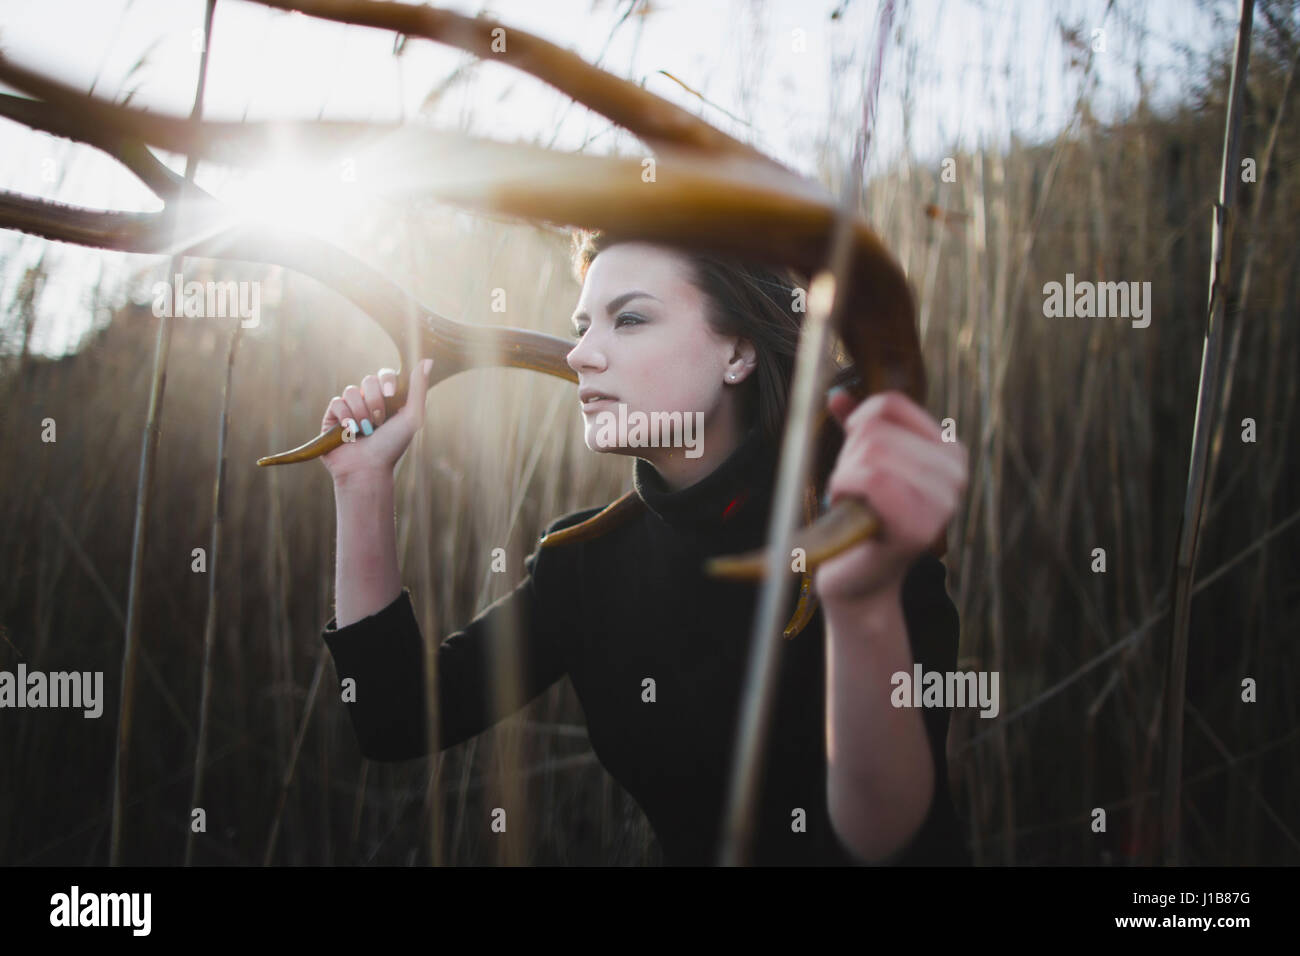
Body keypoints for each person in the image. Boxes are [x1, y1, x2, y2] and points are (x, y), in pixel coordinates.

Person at [318, 229, 972, 866]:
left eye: (628, 320)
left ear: (737, 352)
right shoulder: (583, 563)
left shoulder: (864, 534)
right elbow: (395, 721)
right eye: (582, 328)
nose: (580, 355)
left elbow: (885, 840)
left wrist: (863, 602)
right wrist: (362, 483)